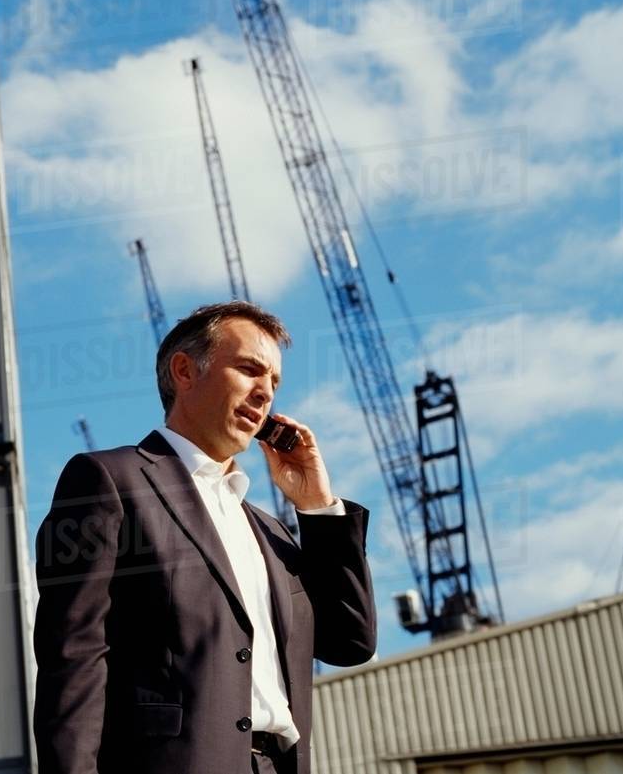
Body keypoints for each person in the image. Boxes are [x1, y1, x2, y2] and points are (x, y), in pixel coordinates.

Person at [32, 301, 377, 774]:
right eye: (249, 370)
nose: (265, 393)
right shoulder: (108, 480)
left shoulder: (268, 530)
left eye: (274, 383)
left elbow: (349, 640)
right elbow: (73, 657)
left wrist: (317, 507)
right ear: (184, 371)